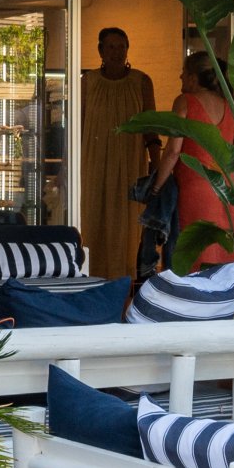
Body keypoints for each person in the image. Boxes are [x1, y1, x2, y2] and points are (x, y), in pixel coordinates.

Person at [147, 49, 234, 268]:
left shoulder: (185, 102)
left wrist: (156, 189)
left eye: (183, 72)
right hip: (225, 196)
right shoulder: (231, 105)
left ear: (193, 76)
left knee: (190, 264)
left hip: (193, 195)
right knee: (221, 266)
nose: (180, 77)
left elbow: (172, 152)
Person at [78, 26, 157, 279]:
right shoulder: (87, 83)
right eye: (110, 47)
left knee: (127, 226)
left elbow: (151, 128)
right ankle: (92, 282)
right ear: (100, 50)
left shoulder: (141, 82)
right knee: (93, 222)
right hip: (94, 164)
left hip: (130, 165)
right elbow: (77, 126)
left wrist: (155, 166)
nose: (116, 52)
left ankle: (124, 285)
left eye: (121, 47)